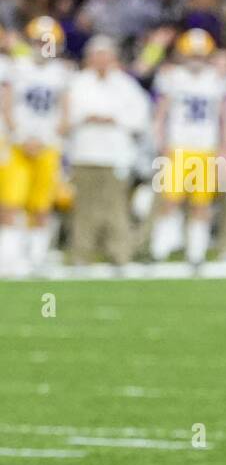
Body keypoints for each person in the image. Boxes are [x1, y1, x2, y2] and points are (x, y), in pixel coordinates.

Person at [61, 36, 151, 265]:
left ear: (113, 58)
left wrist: (113, 118)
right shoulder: (77, 82)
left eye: (105, 55)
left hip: (115, 155)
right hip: (85, 152)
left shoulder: (125, 84)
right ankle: (82, 255)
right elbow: (66, 115)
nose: (101, 60)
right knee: (84, 208)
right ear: (89, 58)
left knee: (116, 208)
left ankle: (119, 254)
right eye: (96, 55)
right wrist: (88, 117)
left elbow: (140, 116)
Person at [150, 28, 226, 265]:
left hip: (207, 148)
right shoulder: (172, 76)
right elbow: (161, 114)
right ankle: (160, 250)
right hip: (178, 146)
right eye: (192, 53)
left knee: (202, 203)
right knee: (170, 200)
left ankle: (196, 253)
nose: (196, 59)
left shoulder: (218, 78)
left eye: (200, 54)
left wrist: (225, 151)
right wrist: (160, 143)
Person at [0, 17, 74, 275]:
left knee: (41, 205)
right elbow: (5, 105)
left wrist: (47, 138)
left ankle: (36, 257)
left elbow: (65, 112)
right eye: (38, 41)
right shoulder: (15, 67)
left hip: (48, 144)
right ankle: (9, 259)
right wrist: (21, 136)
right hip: (18, 143)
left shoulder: (61, 72)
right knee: (10, 202)